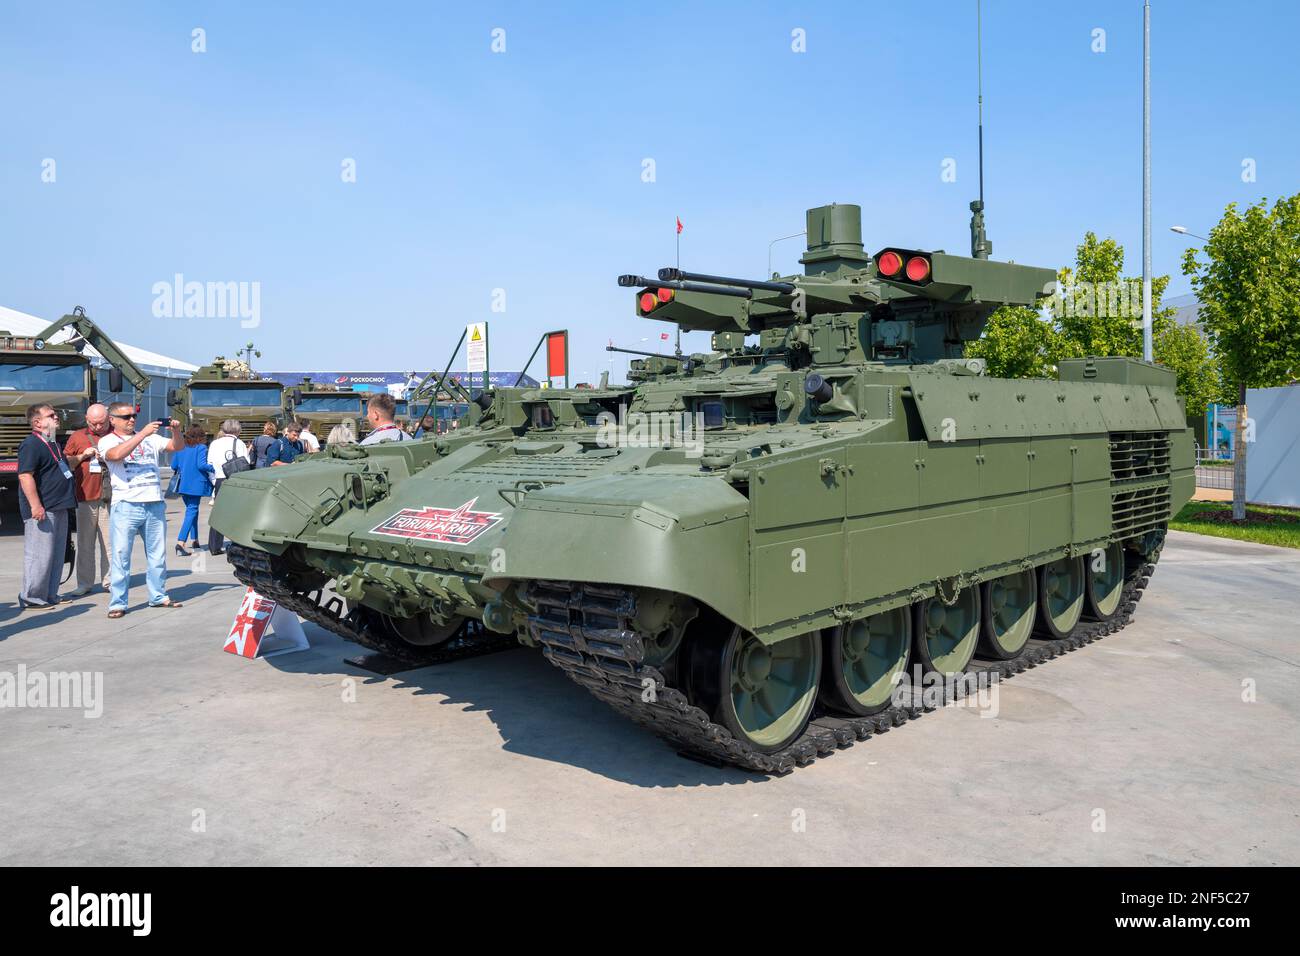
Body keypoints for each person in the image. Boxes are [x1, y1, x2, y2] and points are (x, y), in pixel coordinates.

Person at [99, 403, 185, 617]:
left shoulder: (152, 439)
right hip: (126, 505)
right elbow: (115, 455)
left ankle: (158, 596)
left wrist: (176, 431)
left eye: (134, 415)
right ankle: (118, 603)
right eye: (126, 416)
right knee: (121, 556)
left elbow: (177, 447)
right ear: (112, 420)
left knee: (157, 555)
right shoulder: (107, 440)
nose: (131, 420)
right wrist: (142, 434)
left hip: (154, 503)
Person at [17, 404, 78, 610]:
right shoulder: (31, 444)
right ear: (37, 422)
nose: (56, 417)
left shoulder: (52, 442)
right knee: (40, 555)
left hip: (59, 506)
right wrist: (35, 505)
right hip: (43, 509)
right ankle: (31, 597)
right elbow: (25, 475)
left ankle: (50, 594)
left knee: (56, 554)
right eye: (51, 415)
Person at [63, 403, 113, 596]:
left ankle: (110, 582)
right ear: (86, 420)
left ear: (108, 419)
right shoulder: (77, 437)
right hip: (85, 497)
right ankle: (84, 583)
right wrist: (83, 455)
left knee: (110, 544)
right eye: (94, 424)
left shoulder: (116, 436)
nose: (98, 427)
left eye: (101, 423)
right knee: (85, 543)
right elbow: (66, 463)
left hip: (110, 498)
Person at [206, 419, 249, 555]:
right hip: (235, 479)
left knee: (218, 513)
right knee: (238, 512)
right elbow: (245, 461)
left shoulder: (215, 443)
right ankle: (238, 542)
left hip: (219, 479)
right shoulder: (240, 443)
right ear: (237, 430)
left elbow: (210, 463)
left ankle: (214, 545)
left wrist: (213, 481)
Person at [170, 425, 214, 556]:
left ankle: (195, 540)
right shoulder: (201, 448)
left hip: (183, 485)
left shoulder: (181, 447)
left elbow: (174, 465)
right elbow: (201, 465)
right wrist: (213, 467)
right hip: (196, 484)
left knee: (192, 510)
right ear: (200, 437)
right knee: (191, 511)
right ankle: (180, 542)